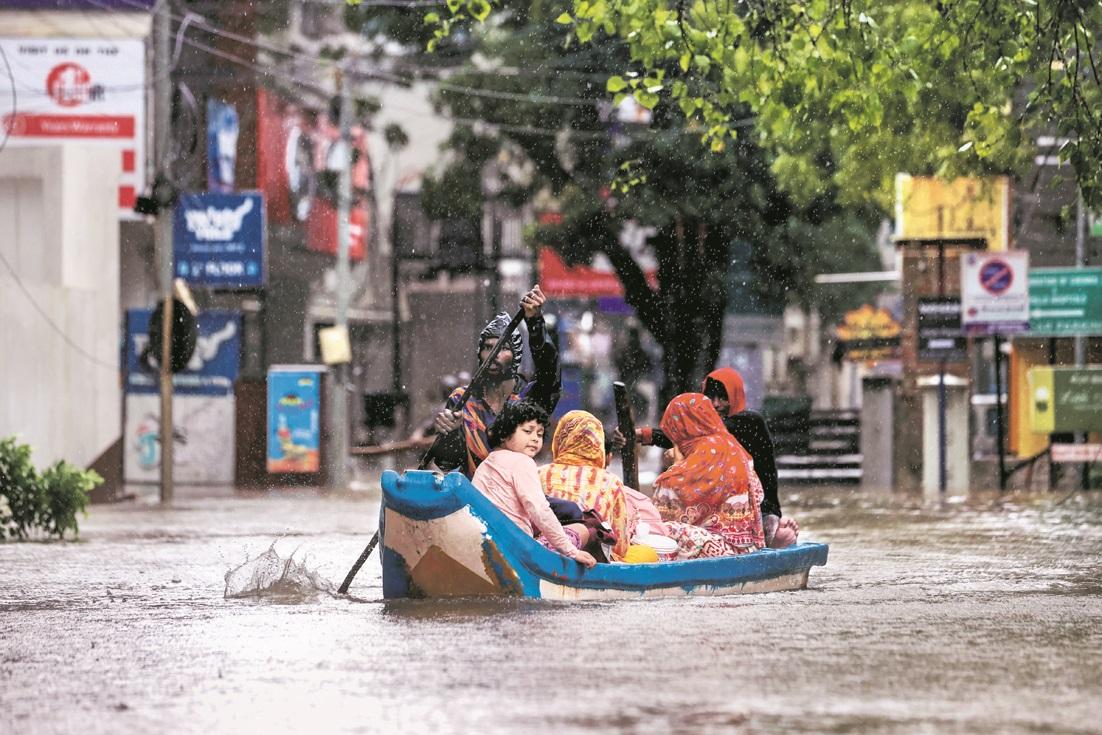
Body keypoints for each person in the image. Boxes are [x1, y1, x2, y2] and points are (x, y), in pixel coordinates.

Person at [615, 367, 798, 548]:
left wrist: (643, 435)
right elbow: (686, 432)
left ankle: (772, 531)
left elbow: (688, 431)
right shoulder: (714, 441)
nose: (717, 404)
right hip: (725, 509)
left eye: (723, 398)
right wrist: (638, 435)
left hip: (759, 508)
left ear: (735, 397)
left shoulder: (747, 423)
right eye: (712, 398)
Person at [429, 286, 562, 477]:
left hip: (515, 497)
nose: (493, 354)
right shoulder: (462, 399)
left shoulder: (527, 401)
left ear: (515, 357)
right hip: (473, 498)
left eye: (502, 348)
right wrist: (451, 434)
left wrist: (535, 322)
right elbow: (447, 464)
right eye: (487, 347)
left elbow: (550, 375)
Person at [471, 401, 597, 568]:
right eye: (528, 431)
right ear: (504, 434)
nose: (535, 439)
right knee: (583, 529)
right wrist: (571, 551)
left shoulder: (486, 463)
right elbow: (539, 509)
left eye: (539, 434)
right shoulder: (523, 461)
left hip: (485, 544)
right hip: (517, 551)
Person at [652, 393, 766, 559]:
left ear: (684, 426)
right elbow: (759, 494)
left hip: (719, 551)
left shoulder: (702, 455)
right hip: (748, 548)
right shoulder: (732, 445)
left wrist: (675, 466)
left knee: (657, 530)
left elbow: (663, 512)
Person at [538, 410, 639, 561]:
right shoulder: (610, 482)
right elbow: (620, 547)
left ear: (560, 438)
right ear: (598, 442)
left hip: (544, 555)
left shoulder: (540, 473)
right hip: (594, 562)